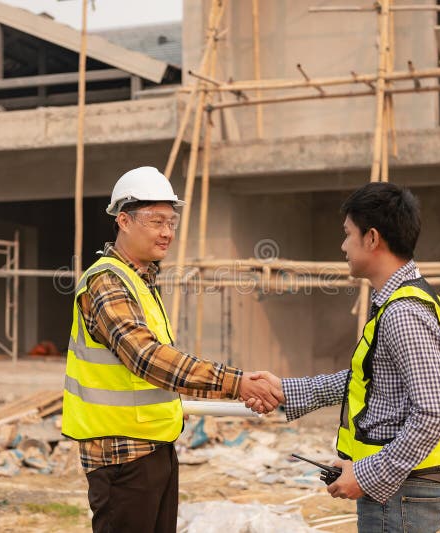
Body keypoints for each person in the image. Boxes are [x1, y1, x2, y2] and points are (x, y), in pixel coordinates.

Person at [61, 166, 283, 533]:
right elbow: (147, 358)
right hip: (122, 455)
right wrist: (237, 382)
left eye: (172, 222)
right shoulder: (107, 282)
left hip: (153, 446)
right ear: (124, 221)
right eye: (156, 221)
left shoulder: (142, 281)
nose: (167, 232)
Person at [246, 182, 440, 533]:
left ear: (372, 238)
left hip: (402, 493)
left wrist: (369, 475)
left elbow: (434, 412)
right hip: (401, 489)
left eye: (347, 234)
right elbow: (370, 381)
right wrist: (287, 390)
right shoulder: (395, 303)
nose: (343, 246)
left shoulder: (403, 312)